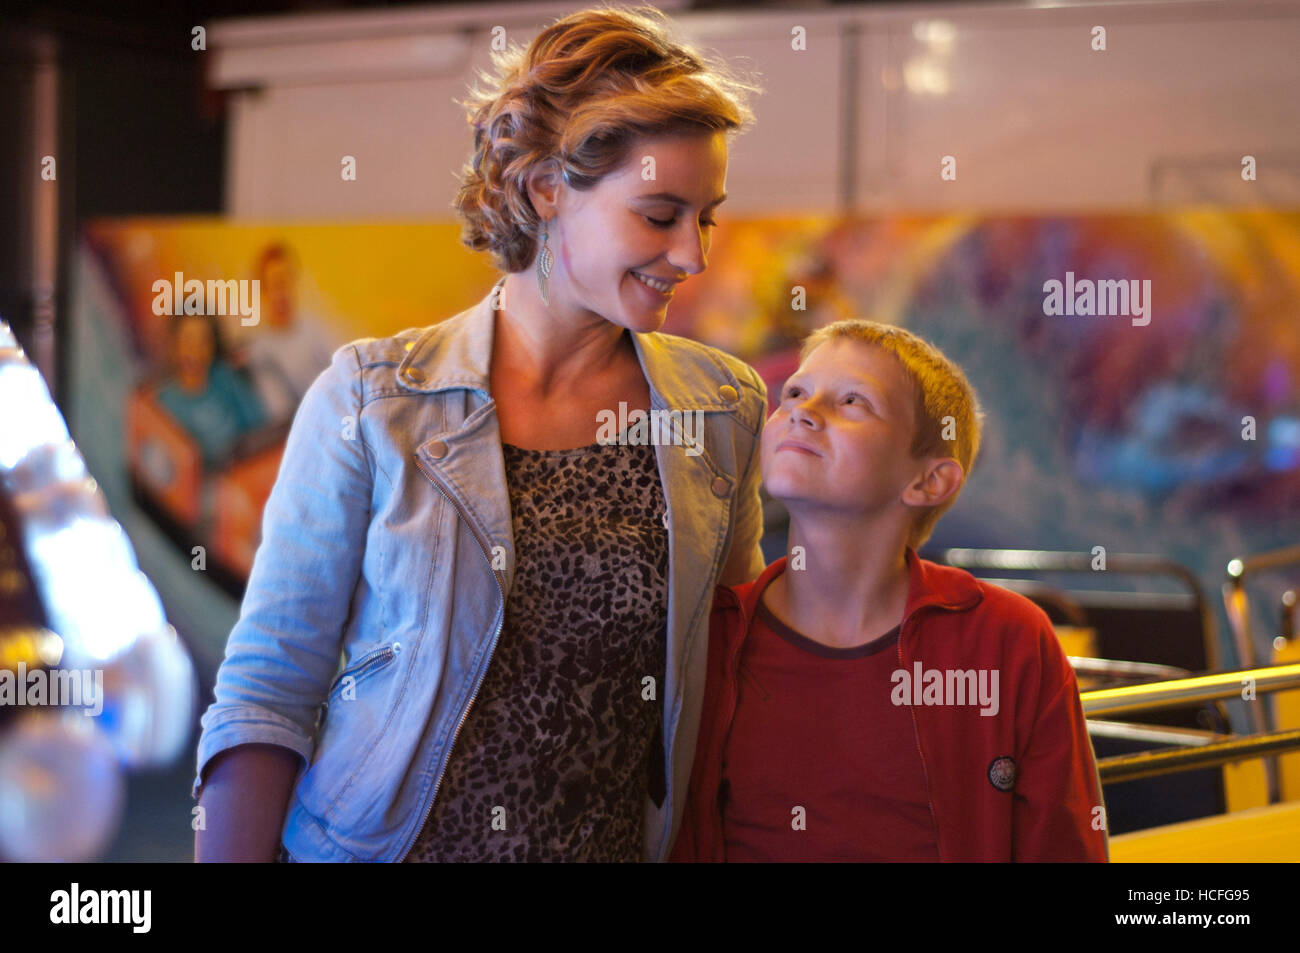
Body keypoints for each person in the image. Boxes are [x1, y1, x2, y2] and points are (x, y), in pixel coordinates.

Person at [193, 6, 766, 863]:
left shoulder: (720, 410)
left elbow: (731, 687)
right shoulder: (375, 396)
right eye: (659, 214)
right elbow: (270, 686)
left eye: (706, 217)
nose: (693, 254)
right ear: (545, 190)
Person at [670, 319, 1110, 862]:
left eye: (853, 402)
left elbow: (1064, 848)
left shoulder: (1007, 641)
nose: (805, 411)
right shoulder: (706, 639)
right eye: (796, 393)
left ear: (929, 481)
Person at [239, 243, 340, 425]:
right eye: (275, 284)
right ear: (264, 291)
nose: (282, 293)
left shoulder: (314, 328)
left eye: (286, 281)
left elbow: (343, 375)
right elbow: (279, 411)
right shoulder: (260, 351)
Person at [155, 313, 267, 468]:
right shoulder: (165, 404)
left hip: (247, 468)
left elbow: (259, 424)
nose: (196, 350)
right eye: (188, 340)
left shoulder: (224, 378)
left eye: (204, 341)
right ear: (175, 345)